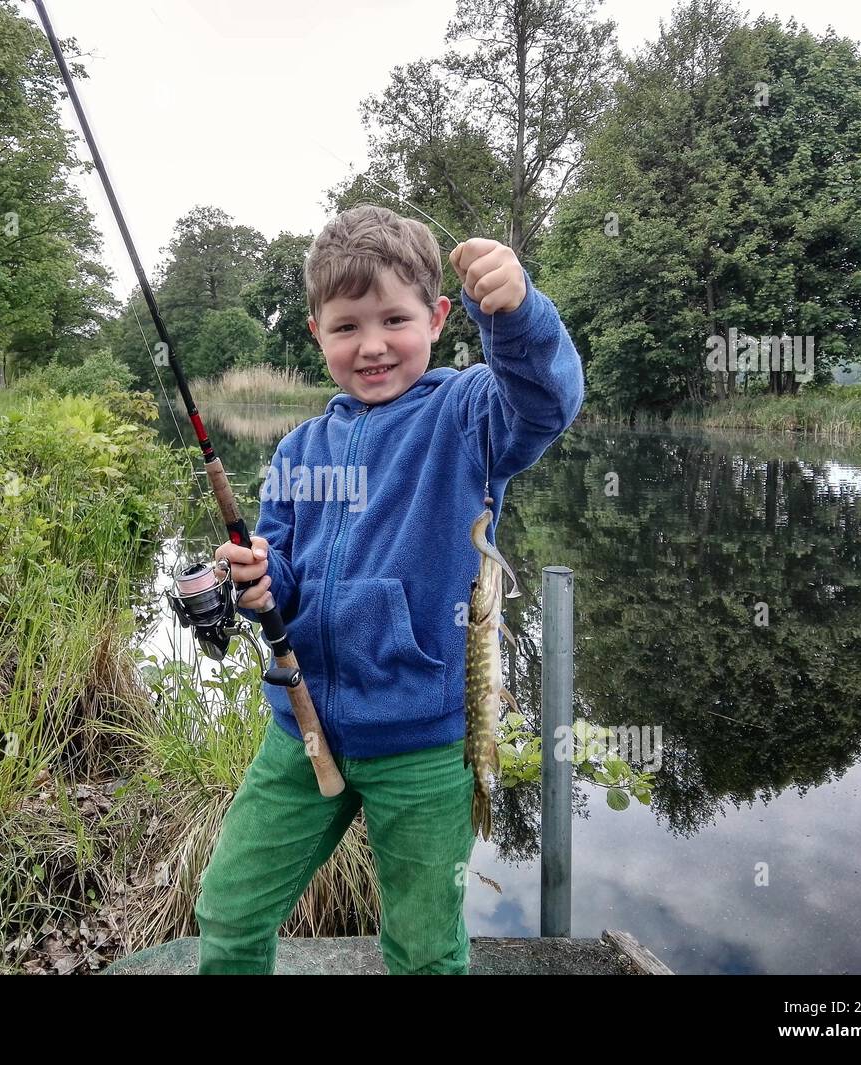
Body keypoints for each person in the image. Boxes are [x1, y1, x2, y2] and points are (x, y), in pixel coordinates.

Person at [194, 203, 584, 974]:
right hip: (302, 730)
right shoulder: (300, 448)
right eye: (346, 327)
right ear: (316, 332)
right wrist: (262, 580)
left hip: (428, 747)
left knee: (425, 946)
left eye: (394, 320)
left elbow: (547, 400)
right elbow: (289, 585)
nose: (372, 346)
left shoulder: (468, 414)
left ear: (438, 318)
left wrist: (516, 312)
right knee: (228, 909)